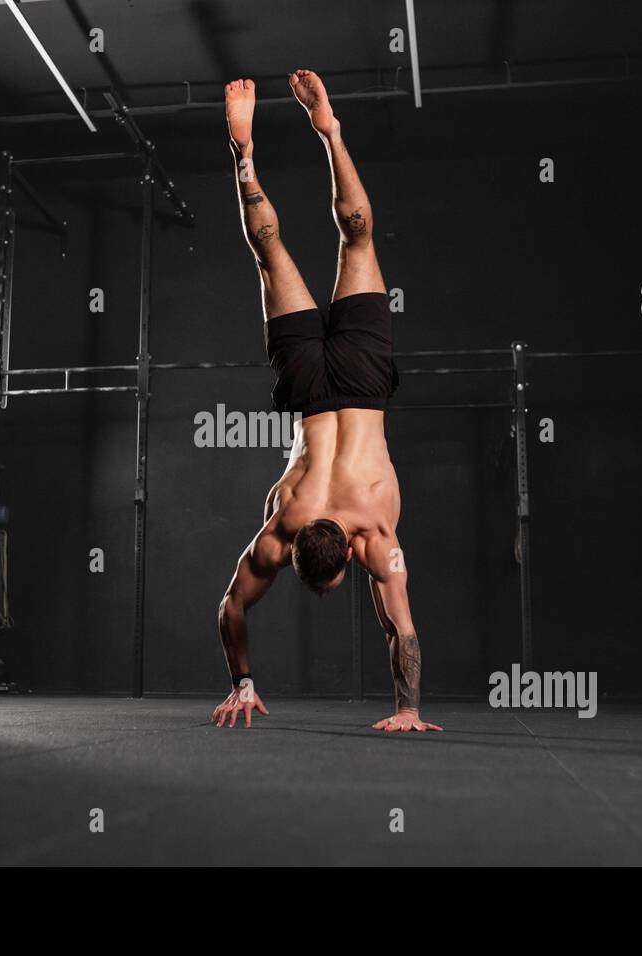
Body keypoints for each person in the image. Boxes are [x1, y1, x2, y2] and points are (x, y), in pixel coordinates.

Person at [212, 71, 442, 733]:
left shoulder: (373, 534)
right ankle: (256, 153)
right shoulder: (286, 519)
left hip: (362, 384)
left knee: (357, 239)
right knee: (274, 251)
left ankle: (317, 135)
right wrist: (243, 680)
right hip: (312, 390)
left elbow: (402, 626)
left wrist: (410, 710)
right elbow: (229, 606)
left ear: (347, 553)